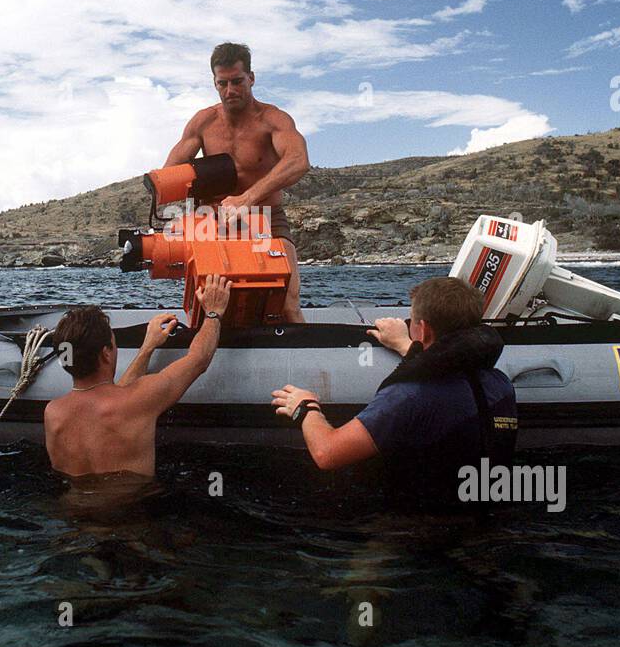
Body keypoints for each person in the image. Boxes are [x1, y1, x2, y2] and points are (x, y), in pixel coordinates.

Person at [270, 277, 517, 507]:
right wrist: (407, 347)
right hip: (483, 512)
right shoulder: (500, 385)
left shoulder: (408, 397)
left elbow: (327, 454)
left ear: (423, 330)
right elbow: (450, 364)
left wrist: (306, 407)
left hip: (417, 529)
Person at [164, 42, 310, 323]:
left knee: (288, 304)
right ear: (214, 83)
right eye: (222, 83)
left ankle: (304, 362)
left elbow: (298, 160)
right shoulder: (203, 122)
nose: (230, 90)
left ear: (251, 78)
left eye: (237, 81)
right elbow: (170, 173)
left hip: (266, 217)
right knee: (210, 302)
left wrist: (247, 199)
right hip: (215, 223)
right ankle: (207, 357)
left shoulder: (272, 119)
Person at [43, 274, 232, 479]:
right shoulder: (139, 400)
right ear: (106, 353)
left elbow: (112, 398)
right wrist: (214, 313)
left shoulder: (52, 412)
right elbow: (199, 359)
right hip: (130, 508)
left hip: (72, 508)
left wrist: (147, 348)